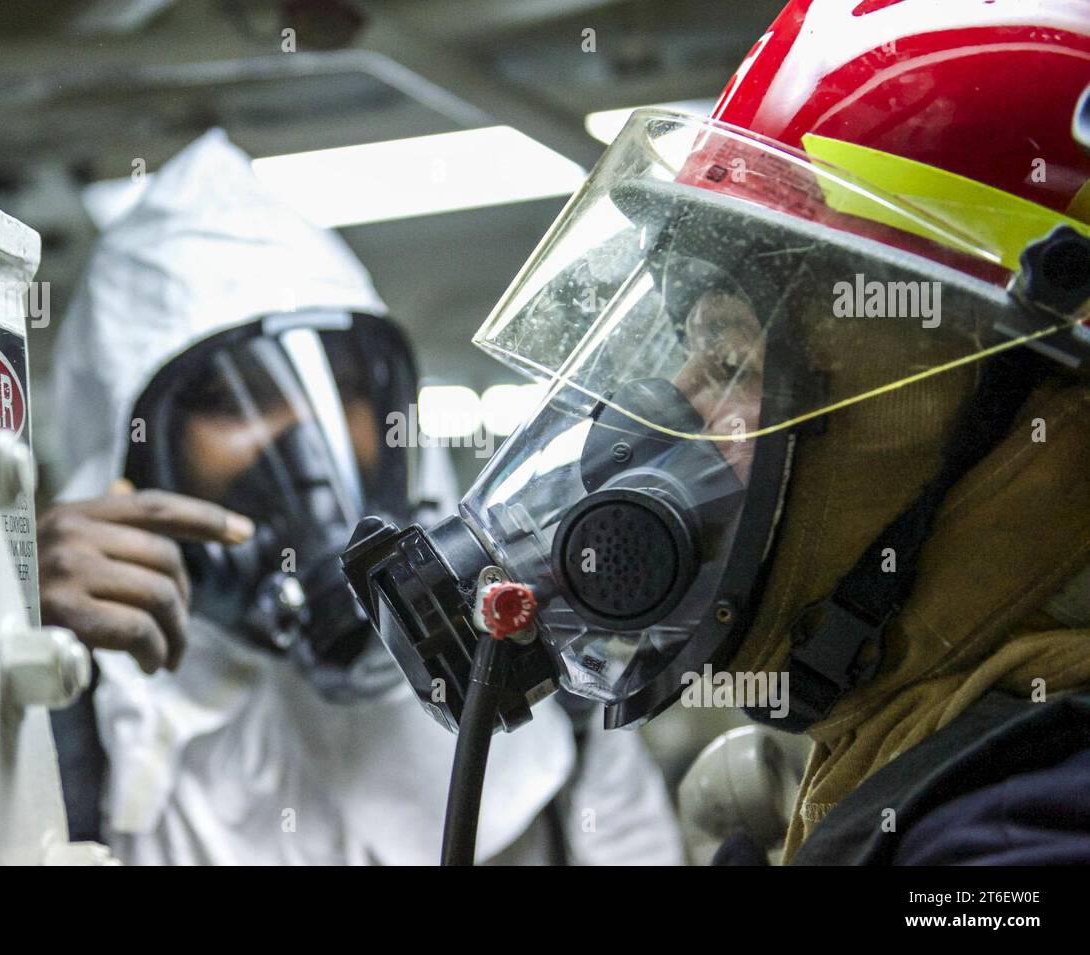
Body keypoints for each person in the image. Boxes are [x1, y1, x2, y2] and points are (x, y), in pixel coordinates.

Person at [347, 0, 1090, 864]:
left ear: (1028, 421)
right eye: (694, 353)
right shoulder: (928, 766)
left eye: (734, 359)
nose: (669, 414)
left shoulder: (1029, 840)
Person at [40, 128, 683, 865]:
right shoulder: (84, 717)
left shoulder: (544, 686)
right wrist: (0, 645)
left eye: (343, 388)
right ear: (132, 459)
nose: (305, 440)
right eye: (228, 403)